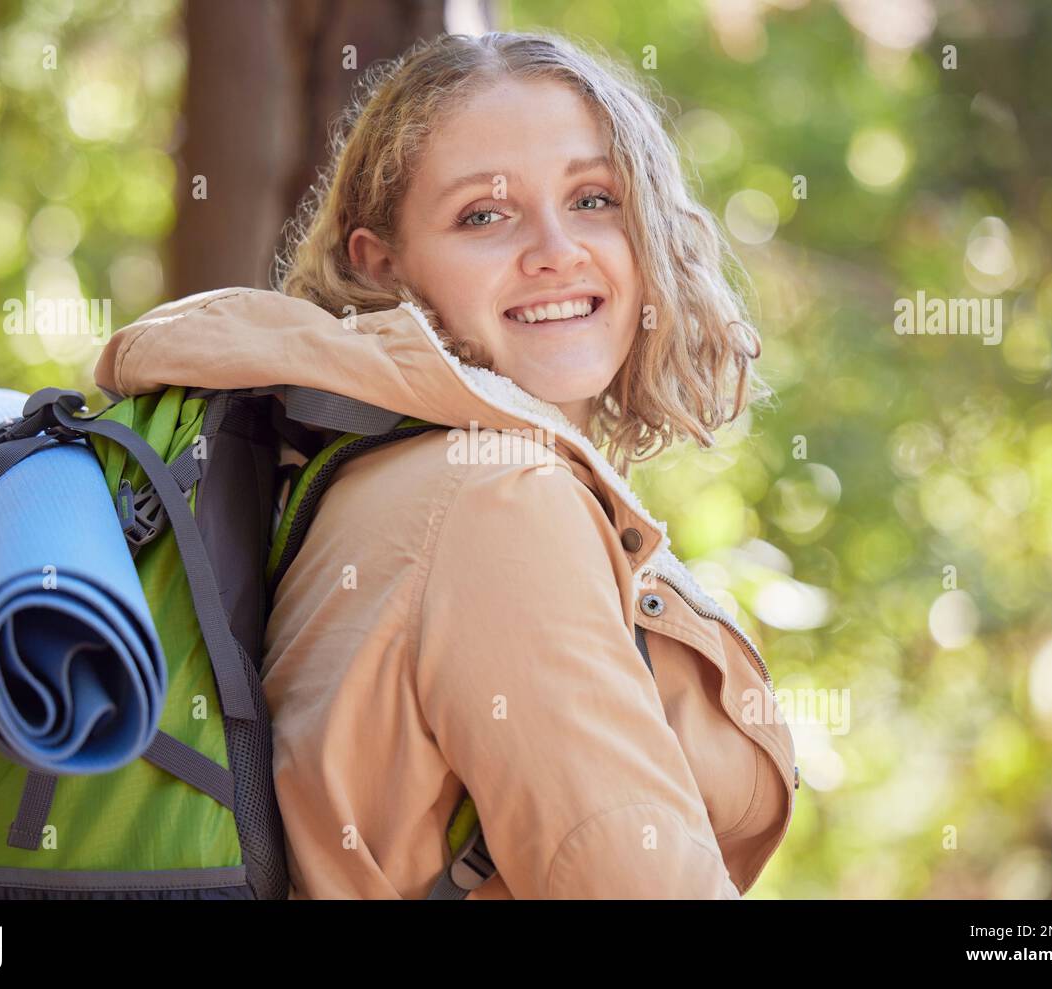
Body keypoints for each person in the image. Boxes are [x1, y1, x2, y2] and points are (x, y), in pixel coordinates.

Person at [94, 30, 797, 899]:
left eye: (593, 199)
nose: (555, 250)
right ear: (382, 265)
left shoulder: (371, 466)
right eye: (483, 215)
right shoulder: (497, 498)